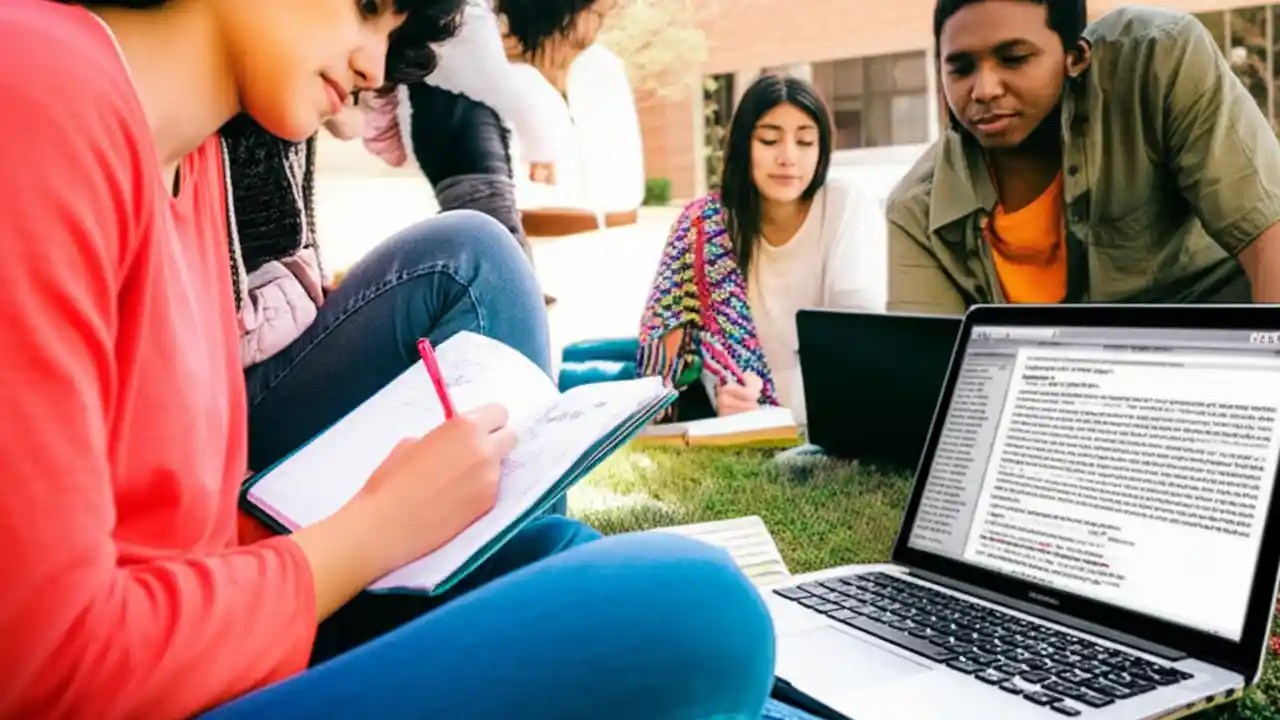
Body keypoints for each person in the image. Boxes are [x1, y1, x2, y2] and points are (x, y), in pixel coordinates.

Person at [0, 1, 778, 717]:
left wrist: (391, 513)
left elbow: (180, 535)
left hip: (204, 640)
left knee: (556, 556)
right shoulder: (37, 88)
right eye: (367, 7)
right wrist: (372, 530)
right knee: (694, 608)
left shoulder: (192, 159)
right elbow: (50, 666)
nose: (375, 65)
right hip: (133, 685)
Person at [886, 0, 1280, 314]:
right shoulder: (917, 211)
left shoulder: (1156, 60)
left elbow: (1268, 239)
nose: (983, 89)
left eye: (1014, 58)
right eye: (961, 69)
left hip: (1219, 348)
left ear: (1076, 55)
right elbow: (924, 370)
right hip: (1063, 394)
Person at [637, 74, 887, 426]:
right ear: (743, 146)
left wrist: (781, 415)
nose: (788, 157)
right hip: (734, 423)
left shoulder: (847, 205)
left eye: (805, 142)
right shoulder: (704, 227)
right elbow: (663, 359)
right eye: (769, 140)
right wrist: (727, 397)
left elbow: (857, 339)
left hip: (836, 418)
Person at [362, 0, 613, 266]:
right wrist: (541, 149)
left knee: (488, 237)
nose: (589, 28)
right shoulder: (466, 13)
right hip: (457, 131)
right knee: (496, 239)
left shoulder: (469, 12)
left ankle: (507, 293)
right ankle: (508, 296)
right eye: (594, 14)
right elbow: (496, 84)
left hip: (447, 132)